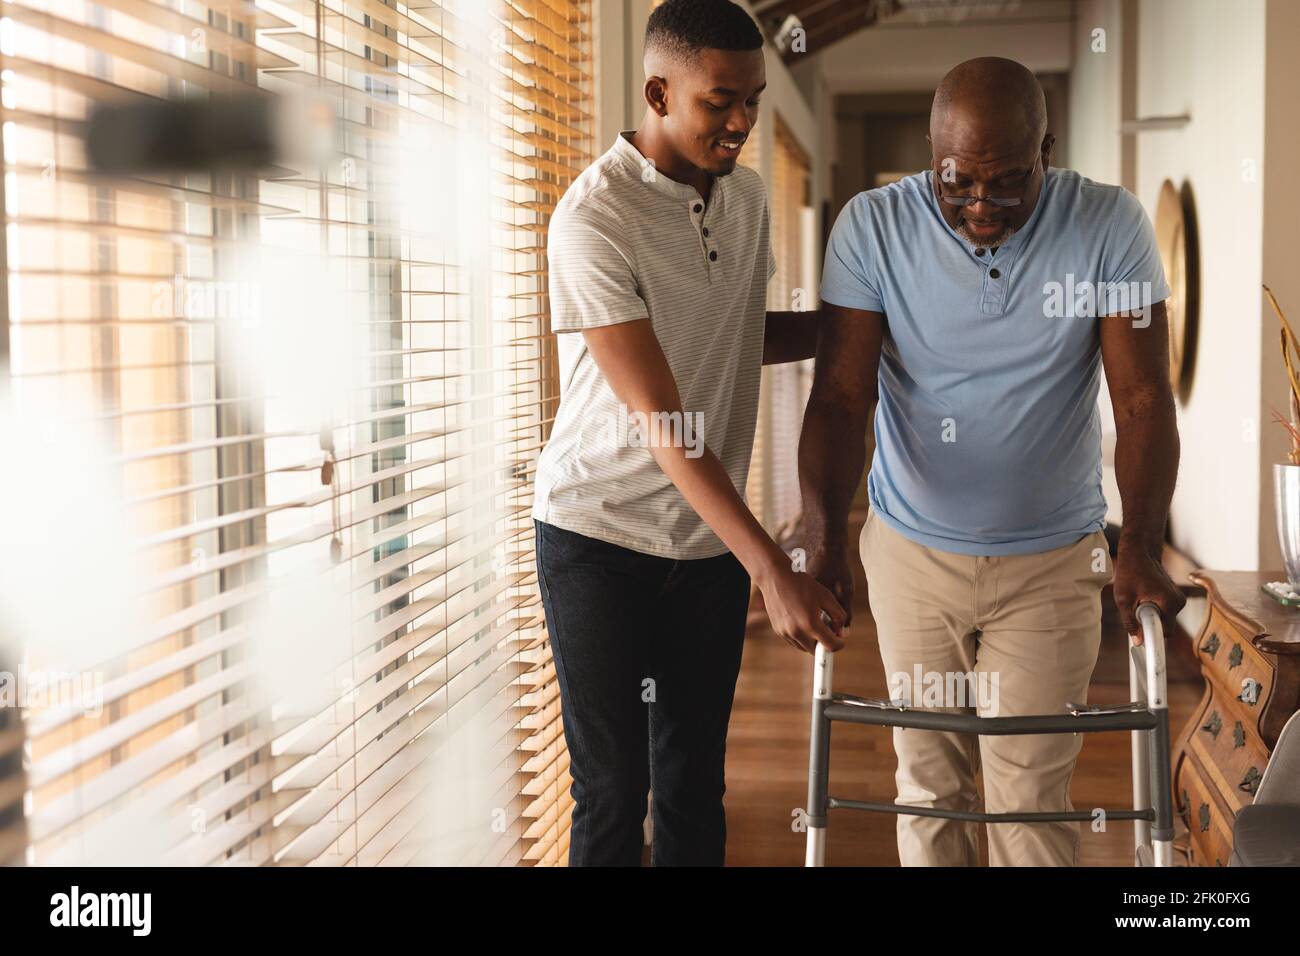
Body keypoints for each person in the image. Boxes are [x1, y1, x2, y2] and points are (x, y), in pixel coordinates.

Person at [799, 56, 1186, 866]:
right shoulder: (873, 228)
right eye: (957, 183)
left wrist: (1141, 545)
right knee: (929, 790)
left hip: (1051, 560)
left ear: (1046, 149)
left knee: (1031, 803)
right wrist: (826, 537)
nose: (981, 206)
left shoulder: (1108, 226)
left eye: (1008, 181)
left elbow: (1143, 400)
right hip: (911, 553)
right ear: (930, 156)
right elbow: (840, 399)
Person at [532, 0, 844, 867]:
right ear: (657, 92)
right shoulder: (593, 218)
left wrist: (855, 328)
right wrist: (771, 568)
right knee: (611, 789)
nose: (742, 121)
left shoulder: (744, 201)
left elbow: (741, 337)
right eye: (720, 102)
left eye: (753, 99)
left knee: (691, 781)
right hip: (600, 532)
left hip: (702, 542)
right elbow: (666, 420)